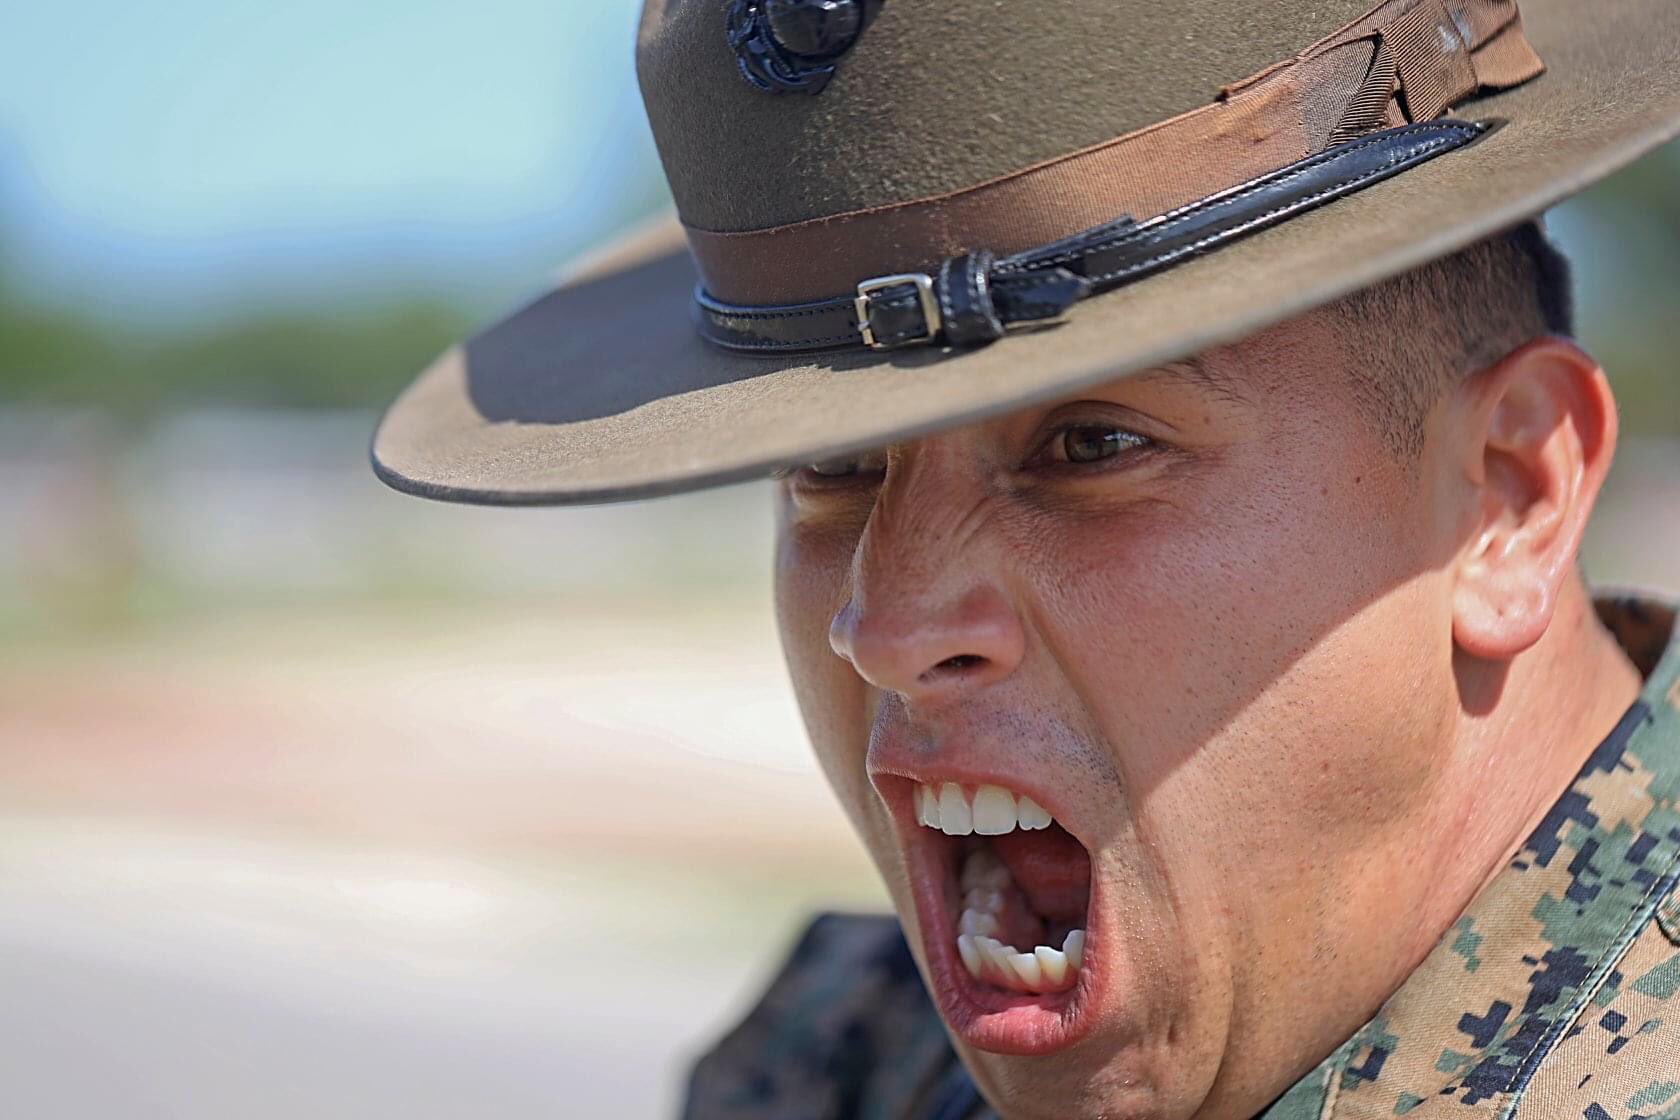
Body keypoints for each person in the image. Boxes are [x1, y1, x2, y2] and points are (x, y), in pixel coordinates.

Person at [371, 0, 1680, 1116]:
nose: (887, 625)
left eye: (1094, 443)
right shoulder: (838, 1057)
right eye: (836, 467)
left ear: (1512, 496)